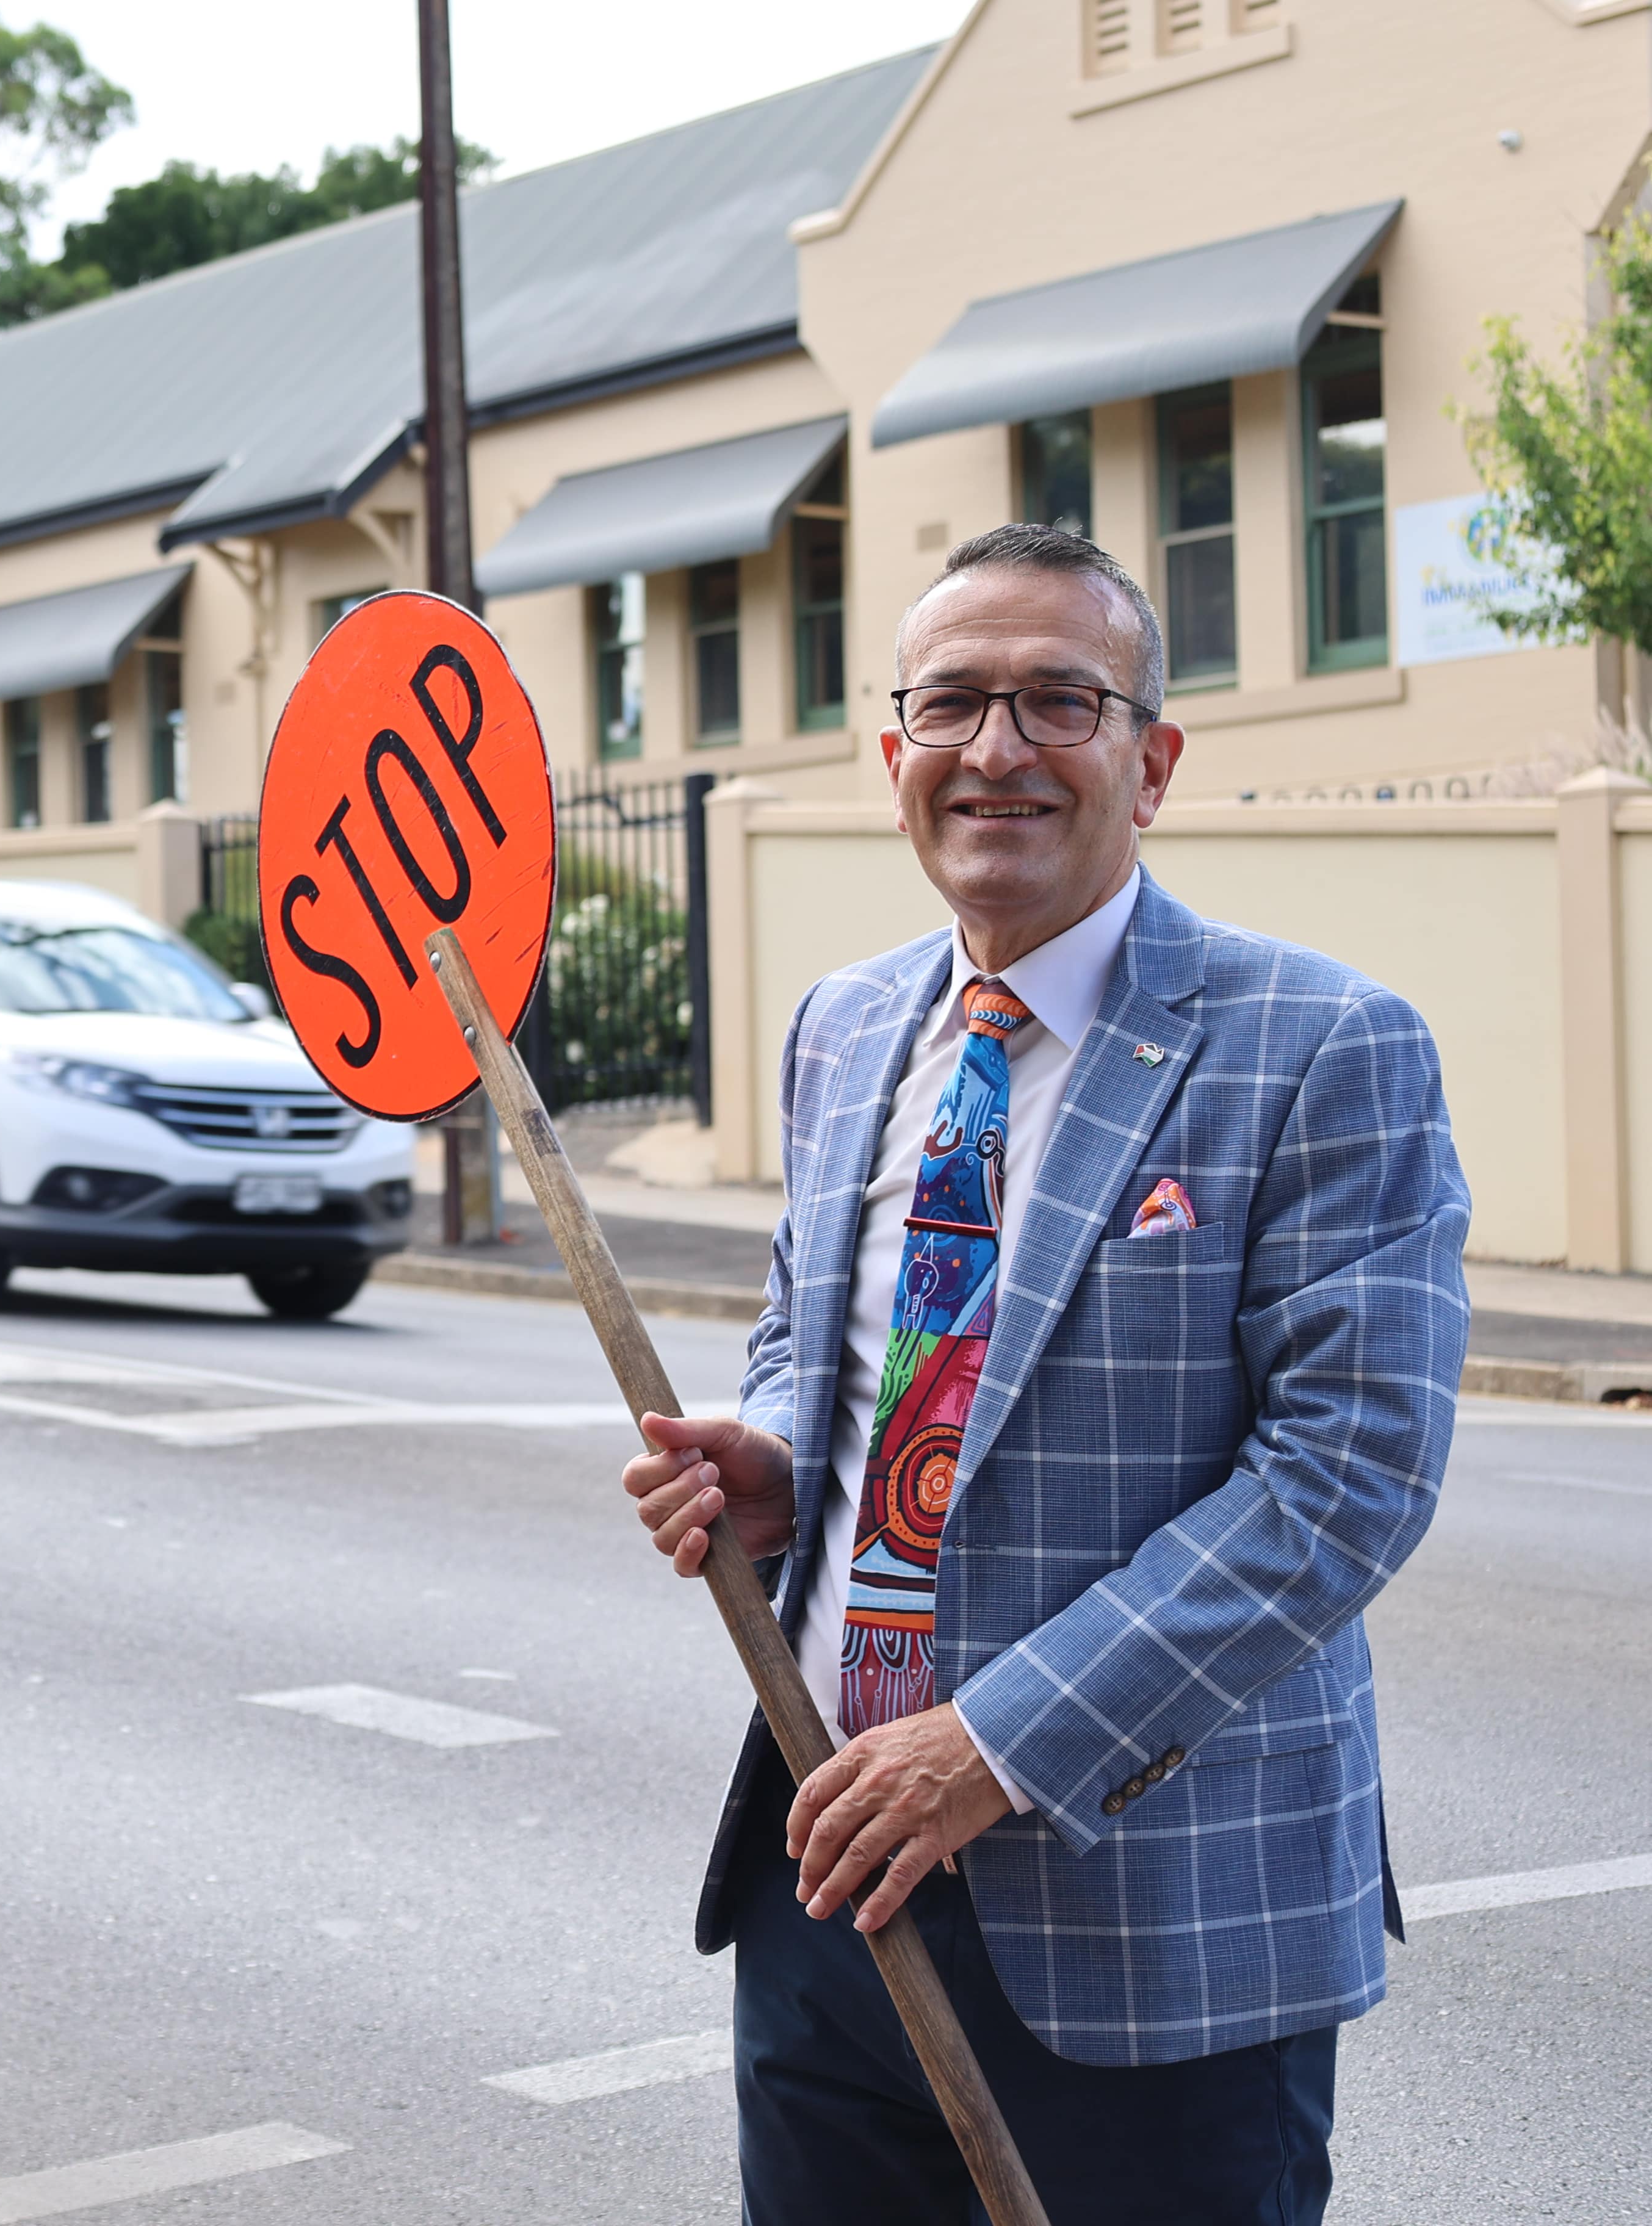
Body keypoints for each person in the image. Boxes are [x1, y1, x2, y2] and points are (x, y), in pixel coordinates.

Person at [621, 523, 1467, 2225]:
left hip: (1153, 1930)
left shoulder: (1321, 1048)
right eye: (953, 704)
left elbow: (1344, 1483)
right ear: (894, 755)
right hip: (830, 1881)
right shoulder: (845, 1028)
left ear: (1149, 762)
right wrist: (782, 1453)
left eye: (1058, 702)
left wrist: (992, 1746)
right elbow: (816, 1332)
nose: (996, 749)